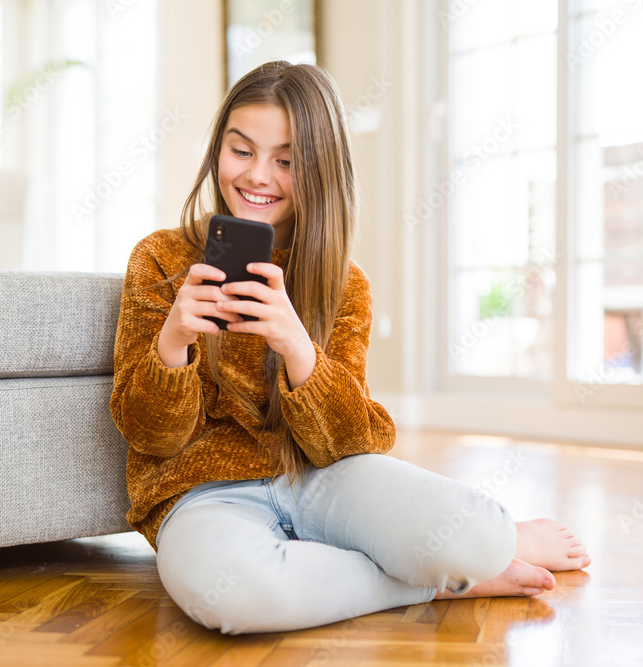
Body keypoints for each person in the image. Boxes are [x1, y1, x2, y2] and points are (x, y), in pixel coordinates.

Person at [110, 60, 590, 636]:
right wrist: (174, 343)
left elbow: (349, 443)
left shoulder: (345, 283)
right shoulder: (160, 259)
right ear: (218, 152)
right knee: (236, 597)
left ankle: (467, 559)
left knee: (482, 536)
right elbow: (149, 438)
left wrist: (295, 344)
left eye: (286, 161)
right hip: (202, 497)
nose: (259, 175)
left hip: (321, 478)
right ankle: (437, 580)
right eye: (242, 151)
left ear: (319, 169)